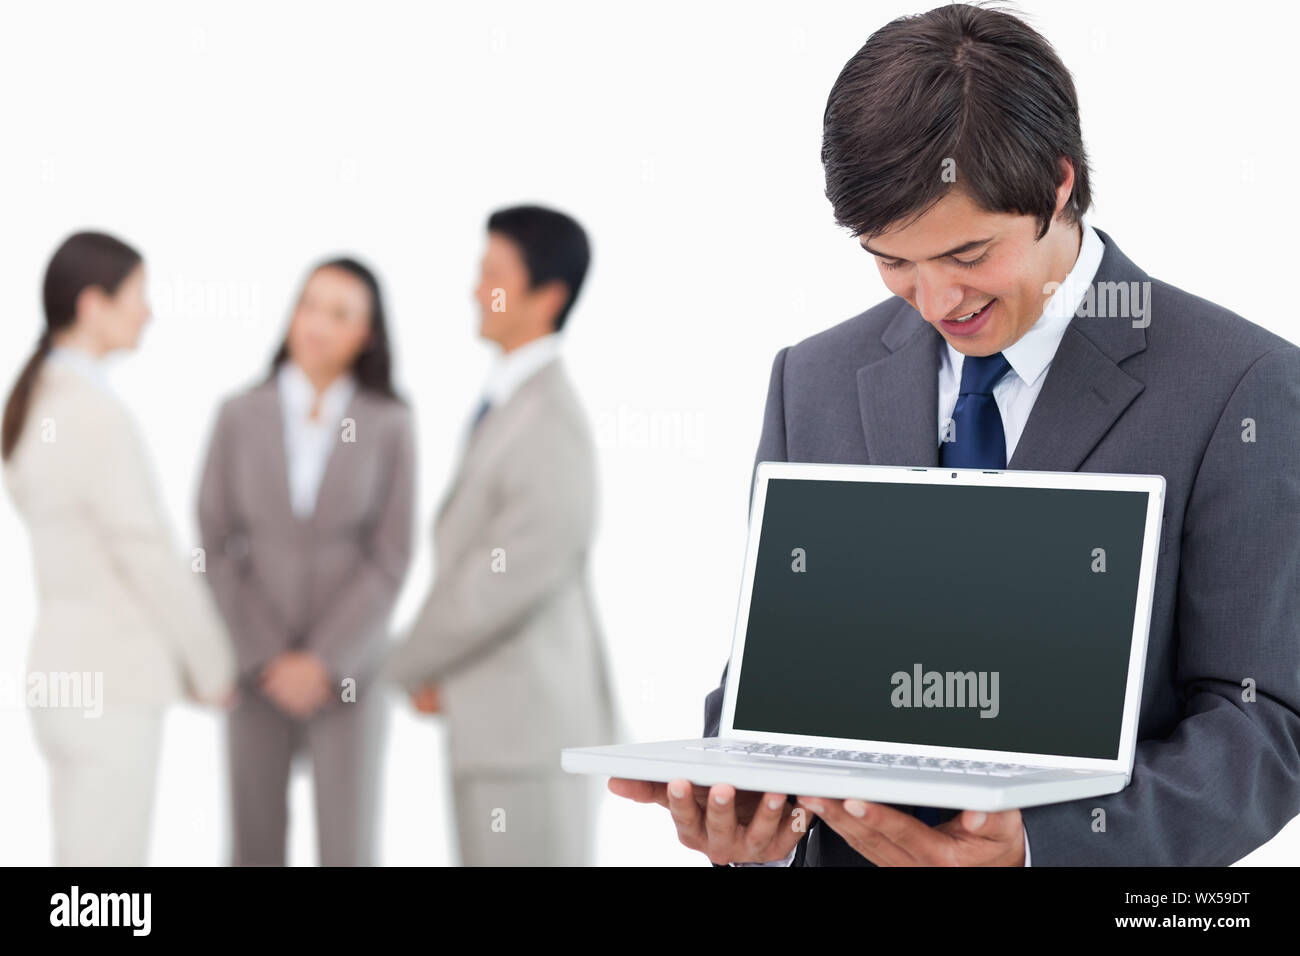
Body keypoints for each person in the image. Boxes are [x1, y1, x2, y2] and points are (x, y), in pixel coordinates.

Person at [610, 2, 1300, 866]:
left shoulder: (1237, 383)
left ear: (1056, 185)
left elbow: (1264, 723)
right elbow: (780, 671)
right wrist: (745, 810)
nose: (939, 304)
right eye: (892, 260)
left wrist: (1036, 850)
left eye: (970, 254)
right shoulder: (813, 379)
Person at [385, 205, 620, 866]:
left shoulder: (550, 421)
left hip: (530, 735)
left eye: (492, 275)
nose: (474, 291)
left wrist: (402, 664)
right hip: (492, 726)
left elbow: (499, 582)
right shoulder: (510, 402)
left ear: (547, 296)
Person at [2, 230, 236, 865]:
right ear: (91, 305)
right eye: (137, 295)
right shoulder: (93, 416)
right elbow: (148, 555)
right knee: (106, 883)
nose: (149, 311)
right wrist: (212, 666)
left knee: (82, 869)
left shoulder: (39, 405)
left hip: (61, 673)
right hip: (110, 680)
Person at [197, 257, 415, 866]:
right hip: (255, 667)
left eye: (339, 313)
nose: (318, 323)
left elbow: (391, 554)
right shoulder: (239, 414)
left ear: (367, 335)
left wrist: (322, 660)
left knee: (348, 846)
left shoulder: (389, 422)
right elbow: (213, 542)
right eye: (309, 305)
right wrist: (268, 655)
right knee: (253, 845)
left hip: (347, 674)